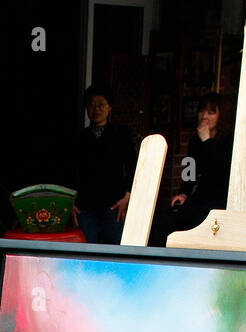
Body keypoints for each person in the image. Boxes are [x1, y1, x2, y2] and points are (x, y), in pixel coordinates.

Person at [150, 93, 233, 246]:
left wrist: (207, 141)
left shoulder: (229, 139)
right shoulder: (196, 139)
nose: (204, 116)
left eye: (211, 112)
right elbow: (190, 170)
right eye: (202, 111)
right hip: (201, 197)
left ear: (221, 115)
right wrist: (184, 193)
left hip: (221, 199)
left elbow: (220, 171)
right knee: (164, 219)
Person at [72, 85, 137, 245]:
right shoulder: (80, 137)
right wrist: (70, 202)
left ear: (110, 107)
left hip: (114, 205)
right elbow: (71, 170)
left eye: (101, 104)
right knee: (85, 252)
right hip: (85, 206)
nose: (96, 109)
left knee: (118, 251)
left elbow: (132, 166)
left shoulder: (121, 134)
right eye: (92, 104)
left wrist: (127, 197)